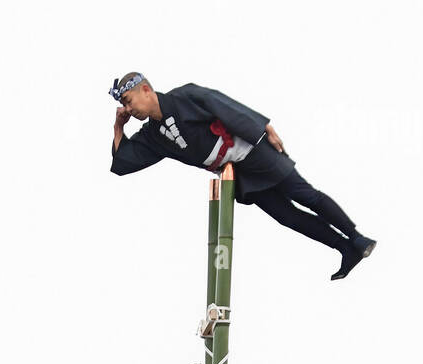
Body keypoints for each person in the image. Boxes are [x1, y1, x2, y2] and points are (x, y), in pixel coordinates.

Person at [110, 73, 375, 281]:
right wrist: (118, 127)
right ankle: (344, 248)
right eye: (124, 105)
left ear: (145, 89)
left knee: (305, 195)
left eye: (129, 101)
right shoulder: (152, 136)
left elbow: (225, 105)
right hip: (236, 173)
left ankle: (356, 237)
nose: (128, 108)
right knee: (287, 216)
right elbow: (123, 162)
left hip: (253, 151)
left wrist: (265, 128)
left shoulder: (184, 95)